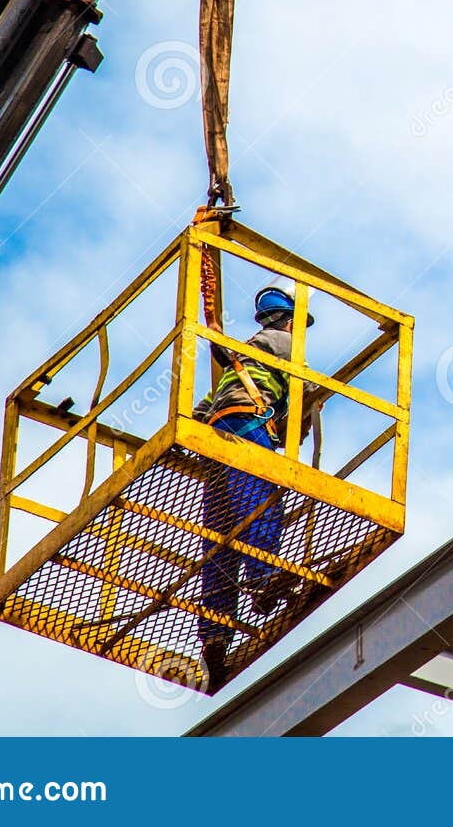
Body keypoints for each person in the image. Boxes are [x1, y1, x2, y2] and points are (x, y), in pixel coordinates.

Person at [195, 285, 312, 687]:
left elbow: (199, 410)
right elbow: (306, 390)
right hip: (248, 424)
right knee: (261, 502)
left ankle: (214, 633)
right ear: (290, 321)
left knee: (220, 536)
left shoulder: (238, 359)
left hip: (214, 436)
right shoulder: (282, 342)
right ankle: (262, 580)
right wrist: (300, 425)